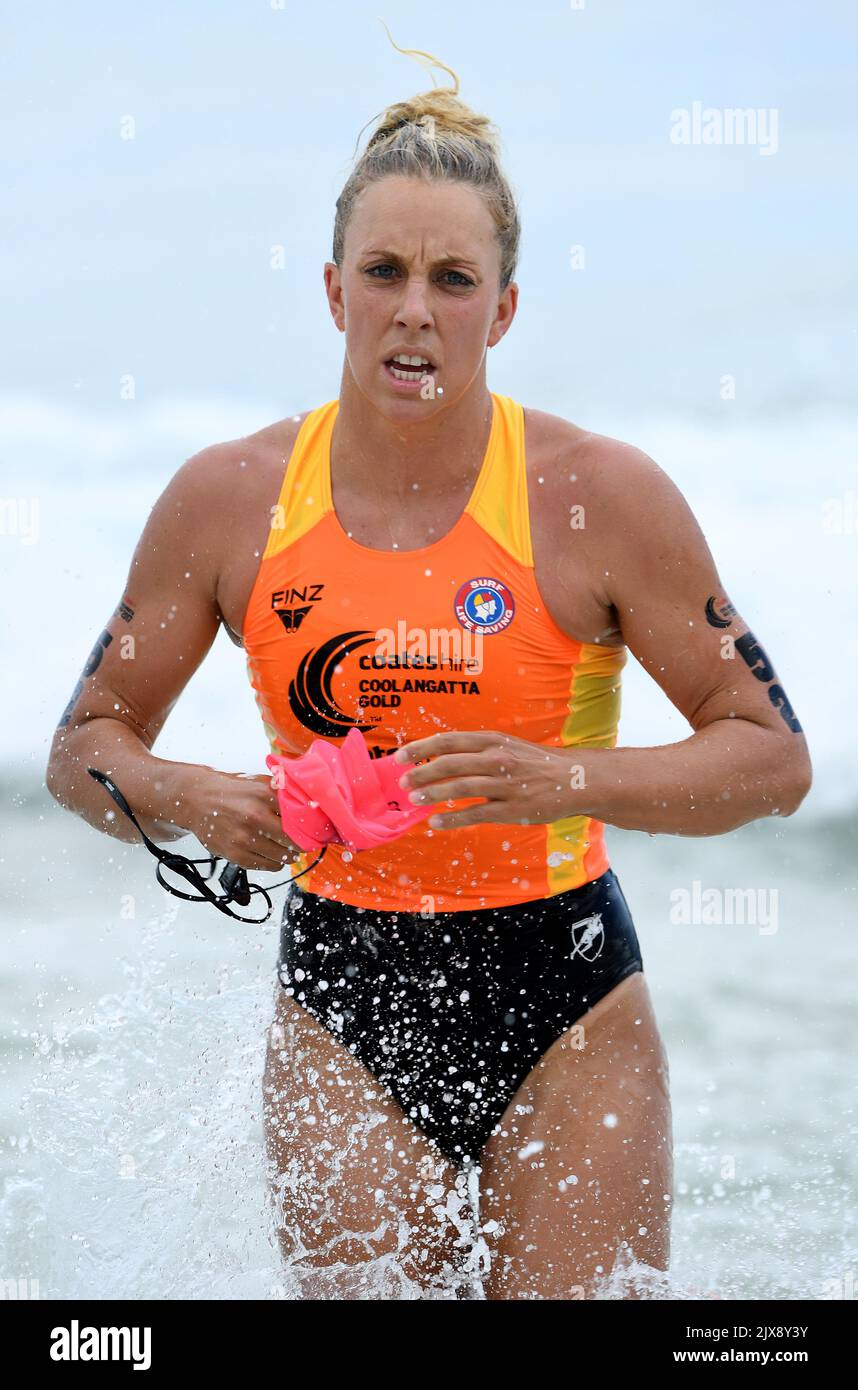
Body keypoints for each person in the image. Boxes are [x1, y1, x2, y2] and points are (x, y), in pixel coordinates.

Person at [46, 38, 812, 1301]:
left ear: (503, 309)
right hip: (343, 996)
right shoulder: (229, 501)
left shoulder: (598, 498)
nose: (416, 308)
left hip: (567, 1000)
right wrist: (196, 797)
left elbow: (772, 759)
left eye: (454, 278)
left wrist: (562, 775)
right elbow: (86, 748)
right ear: (333, 291)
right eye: (386, 271)